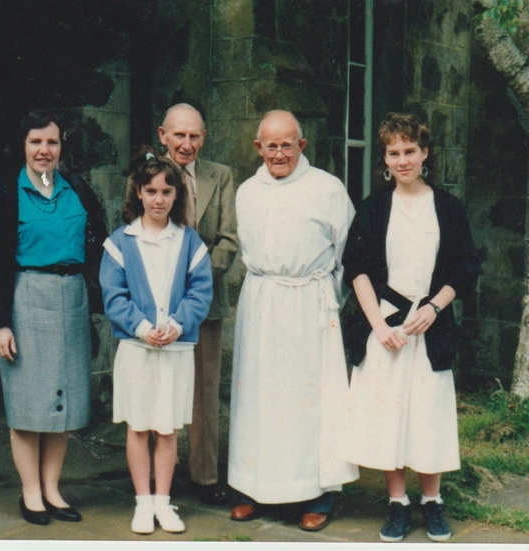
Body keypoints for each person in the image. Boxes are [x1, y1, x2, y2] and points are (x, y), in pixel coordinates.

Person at [341, 112, 480, 542]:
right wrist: (377, 324)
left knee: (427, 413)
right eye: (394, 152)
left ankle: (432, 501)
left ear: (425, 154)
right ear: (385, 158)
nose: (403, 160)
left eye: (410, 151)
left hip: (429, 324)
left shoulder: (449, 208)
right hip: (387, 323)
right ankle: (397, 502)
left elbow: (464, 266)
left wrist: (436, 307)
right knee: (388, 414)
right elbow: (357, 267)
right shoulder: (374, 207)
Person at [228, 110, 359, 532]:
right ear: (258, 148)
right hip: (262, 302)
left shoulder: (327, 188)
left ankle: (318, 494)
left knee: (308, 402)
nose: (279, 152)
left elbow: (348, 254)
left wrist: (324, 298)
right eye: (271, 144)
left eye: (288, 144)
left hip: (309, 305)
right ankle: (254, 490)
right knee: (260, 398)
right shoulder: (247, 191)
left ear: (302, 146)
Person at [0, 109, 107, 526]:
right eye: (36, 142)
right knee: (28, 403)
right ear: (23, 145)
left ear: (61, 147)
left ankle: (54, 489)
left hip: (70, 296)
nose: (44, 150)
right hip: (27, 297)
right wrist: (0, 322)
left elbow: (99, 241)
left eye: (52, 142)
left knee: (64, 401)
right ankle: (31, 493)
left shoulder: (76, 188)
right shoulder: (7, 193)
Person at [101, 148, 213, 534]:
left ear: (177, 196)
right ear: (139, 194)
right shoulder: (120, 242)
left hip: (176, 348)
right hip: (137, 348)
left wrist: (178, 325)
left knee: (166, 428)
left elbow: (201, 293)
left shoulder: (189, 242)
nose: (159, 199)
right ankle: (142, 503)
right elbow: (113, 296)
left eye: (167, 192)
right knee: (138, 426)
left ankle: (164, 502)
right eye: (151, 191)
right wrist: (143, 328)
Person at [155, 103, 238, 505]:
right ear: (163, 135)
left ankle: (205, 476)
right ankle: (158, 478)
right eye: (179, 135)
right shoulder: (146, 176)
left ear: (204, 138)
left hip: (205, 300)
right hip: (155, 303)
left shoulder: (219, 176)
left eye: (194, 136)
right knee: (159, 388)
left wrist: (198, 282)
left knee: (204, 389)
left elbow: (228, 240)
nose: (186, 144)